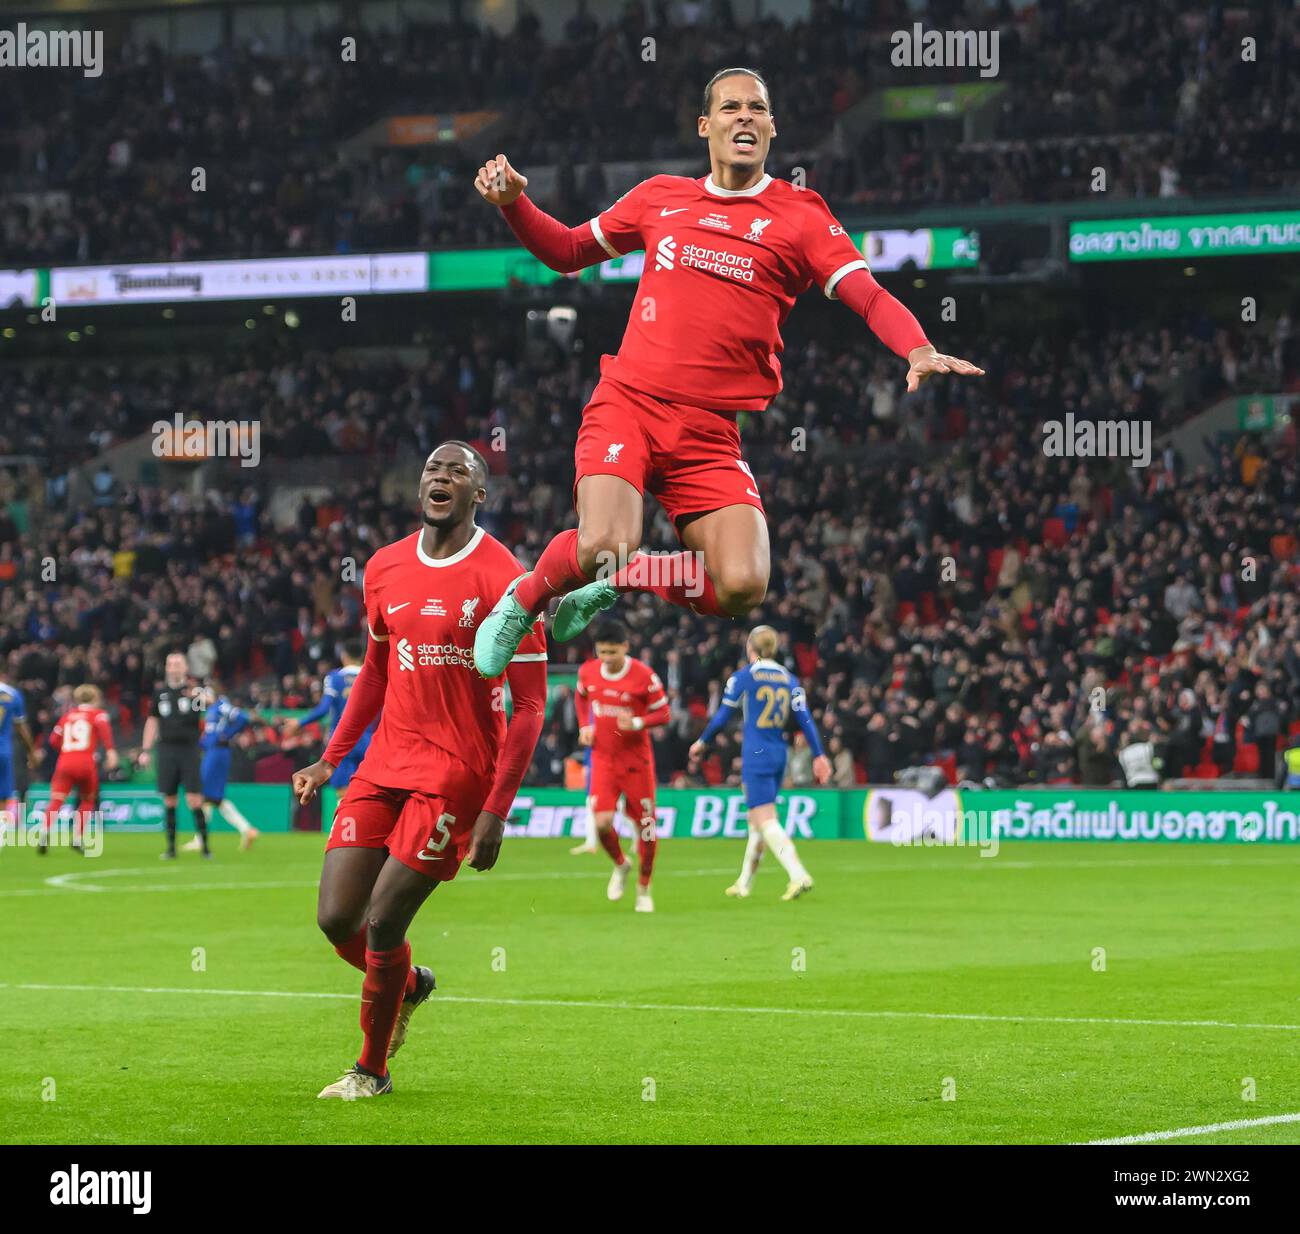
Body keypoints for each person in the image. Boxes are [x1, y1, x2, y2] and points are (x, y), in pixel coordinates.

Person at [471, 67, 983, 676]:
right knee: (605, 541)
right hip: (629, 405)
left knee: (742, 585)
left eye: (758, 108)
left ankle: (627, 578)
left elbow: (867, 294)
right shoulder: (660, 195)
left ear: (771, 127)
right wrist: (514, 204)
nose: (745, 116)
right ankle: (527, 597)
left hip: (710, 433)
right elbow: (568, 252)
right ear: (705, 125)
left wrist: (917, 348)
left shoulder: (800, 216)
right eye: (732, 107)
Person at [291, 441, 547, 1101]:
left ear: (478, 495)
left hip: (457, 776)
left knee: (382, 920)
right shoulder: (383, 567)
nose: (442, 477)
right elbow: (374, 672)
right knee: (335, 918)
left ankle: (371, 1071)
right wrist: (330, 758)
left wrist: (496, 810)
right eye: (434, 469)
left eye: (458, 472)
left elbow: (530, 706)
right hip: (383, 764)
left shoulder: (507, 580)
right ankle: (409, 985)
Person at [688, 625, 829, 900]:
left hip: (756, 754)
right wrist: (819, 754)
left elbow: (722, 716)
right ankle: (744, 883)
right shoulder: (790, 679)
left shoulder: (744, 676)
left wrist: (702, 741)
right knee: (757, 821)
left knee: (765, 819)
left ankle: (798, 874)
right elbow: (806, 720)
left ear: (750, 648)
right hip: (779, 753)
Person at [574, 620, 668, 912]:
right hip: (603, 759)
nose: (607, 659)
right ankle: (620, 864)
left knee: (647, 830)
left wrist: (638, 722)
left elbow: (663, 713)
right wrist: (584, 725)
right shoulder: (588, 671)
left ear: (625, 648)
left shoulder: (644, 676)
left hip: (636, 763)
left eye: (612, 652)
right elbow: (581, 696)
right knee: (602, 822)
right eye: (602, 653)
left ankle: (644, 887)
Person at [282, 639, 377, 828]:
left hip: (343, 742)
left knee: (343, 794)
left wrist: (299, 723)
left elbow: (324, 708)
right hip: (369, 740)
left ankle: (343, 837)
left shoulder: (334, 677)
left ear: (343, 656)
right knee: (367, 791)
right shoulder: (372, 675)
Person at [138, 652, 211, 859]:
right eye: (171, 664)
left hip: (189, 750)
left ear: (185, 668)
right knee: (169, 800)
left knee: (194, 800)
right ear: (167, 668)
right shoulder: (160, 694)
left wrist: (200, 695)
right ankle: (171, 848)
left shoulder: (193, 692)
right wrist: (145, 750)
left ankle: (205, 847)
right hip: (166, 750)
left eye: (178, 663)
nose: (174, 667)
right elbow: (152, 721)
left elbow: (210, 702)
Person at [181, 680, 260, 853]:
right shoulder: (213, 709)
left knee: (203, 794)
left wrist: (227, 735)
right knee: (214, 798)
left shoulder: (221, 705)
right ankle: (247, 829)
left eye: (203, 693)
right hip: (214, 752)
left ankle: (200, 839)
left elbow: (241, 718)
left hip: (217, 754)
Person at [41, 685, 118, 855]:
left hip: (65, 762)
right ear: (96, 698)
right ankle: (77, 838)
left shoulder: (67, 716)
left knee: (57, 799)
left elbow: (53, 740)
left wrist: (67, 749)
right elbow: (105, 733)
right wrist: (111, 752)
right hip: (86, 762)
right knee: (88, 800)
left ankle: (44, 832)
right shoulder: (98, 715)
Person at [0, 664, 37, 845]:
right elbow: (21, 727)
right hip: (4, 751)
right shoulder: (12, 695)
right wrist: (32, 751)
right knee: (4, 795)